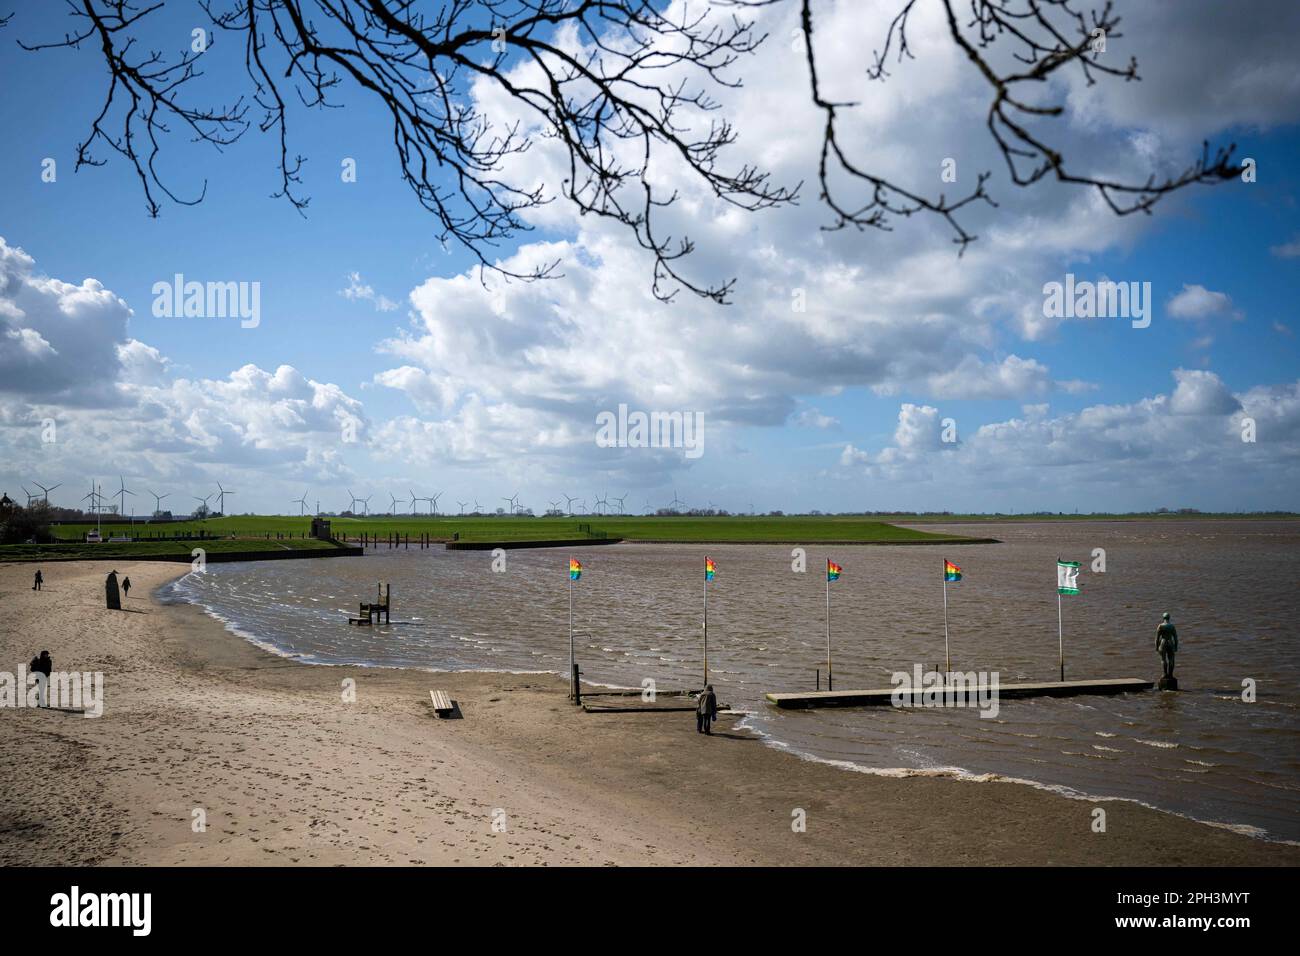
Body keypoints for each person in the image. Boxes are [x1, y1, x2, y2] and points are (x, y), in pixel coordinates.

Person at [1156, 611, 1178, 680]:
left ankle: (1165, 674)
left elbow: (1157, 638)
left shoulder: (1160, 626)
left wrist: (1157, 647)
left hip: (1163, 642)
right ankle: (1170, 675)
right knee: (1171, 659)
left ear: (1163, 618)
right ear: (1169, 618)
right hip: (1170, 642)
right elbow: (1175, 638)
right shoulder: (1172, 626)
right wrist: (1176, 647)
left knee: (1163, 659)